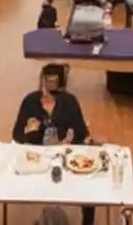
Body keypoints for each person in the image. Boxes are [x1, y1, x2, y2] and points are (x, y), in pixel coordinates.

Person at [12, 65, 95, 225]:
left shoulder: (70, 102)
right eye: (45, 82)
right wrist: (29, 132)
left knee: (89, 184)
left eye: (52, 84)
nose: (47, 89)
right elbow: (16, 135)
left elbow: (82, 132)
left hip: (65, 157)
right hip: (36, 159)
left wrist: (72, 138)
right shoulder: (30, 102)